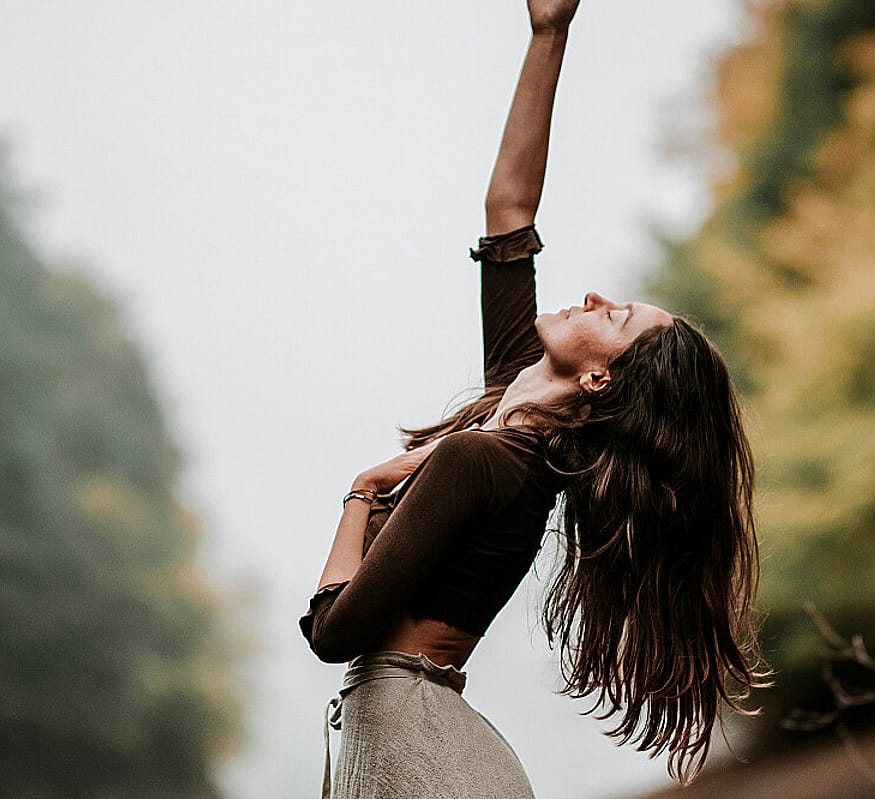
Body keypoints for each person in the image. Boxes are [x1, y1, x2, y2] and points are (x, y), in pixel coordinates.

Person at [299, 1, 765, 796]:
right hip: (416, 724)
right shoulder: (512, 418)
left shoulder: (485, 458)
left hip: (412, 735)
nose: (592, 295)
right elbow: (509, 214)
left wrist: (363, 490)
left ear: (598, 379)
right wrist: (550, 33)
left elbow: (334, 632)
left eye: (613, 316)